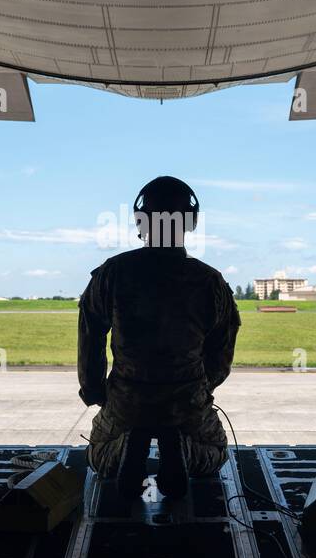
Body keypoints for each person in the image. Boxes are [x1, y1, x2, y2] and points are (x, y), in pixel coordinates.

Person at [77, 176, 241, 499]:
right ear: (190, 223)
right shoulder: (210, 282)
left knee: (97, 452)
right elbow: (223, 349)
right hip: (187, 403)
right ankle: (183, 449)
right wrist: (201, 386)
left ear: (141, 222)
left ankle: (124, 448)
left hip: (127, 401)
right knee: (216, 451)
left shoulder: (112, 273)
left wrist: (97, 391)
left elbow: (90, 331)